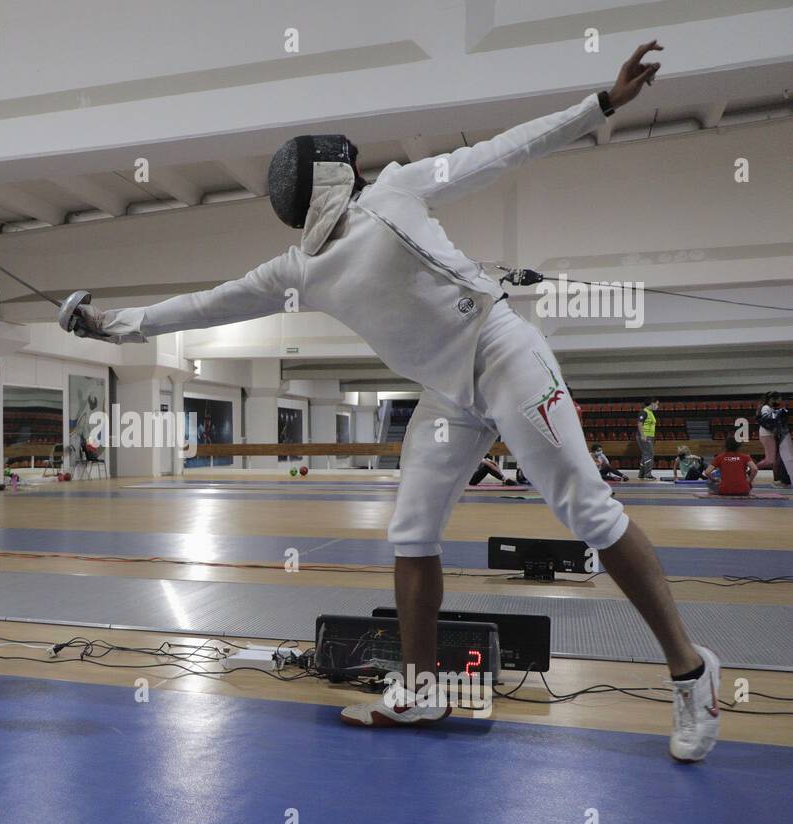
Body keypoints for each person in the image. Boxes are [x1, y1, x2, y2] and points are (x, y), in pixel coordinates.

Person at [60, 41, 720, 761]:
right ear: (333, 173)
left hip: (501, 351)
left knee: (587, 510)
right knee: (411, 530)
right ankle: (421, 686)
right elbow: (207, 304)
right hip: (447, 392)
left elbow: (502, 151)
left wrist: (600, 104)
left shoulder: (397, 190)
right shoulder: (300, 268)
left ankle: (690, 670)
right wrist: (113, 325)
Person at [756, 392, 791, 487]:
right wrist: (775, 428)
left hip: (770, 435)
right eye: (778, 399)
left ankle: (777, 479)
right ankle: (749, 468)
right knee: (770, 460)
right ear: (772, 399)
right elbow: (766, 421)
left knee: (776, 460)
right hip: (766, 435)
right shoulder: (766, 408)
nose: (780, 401)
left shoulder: (770, 408)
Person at [637, 397, 660, 479]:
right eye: (657, 404)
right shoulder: (644, 412)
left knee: (645, 455)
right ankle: (647, 475)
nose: (658, 406)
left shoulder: (650, 412)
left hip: (650, 436)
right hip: (645, 436)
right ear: (652, 403)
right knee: (649, 454)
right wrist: (643, 435)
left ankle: (641, 474)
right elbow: (640, 423)